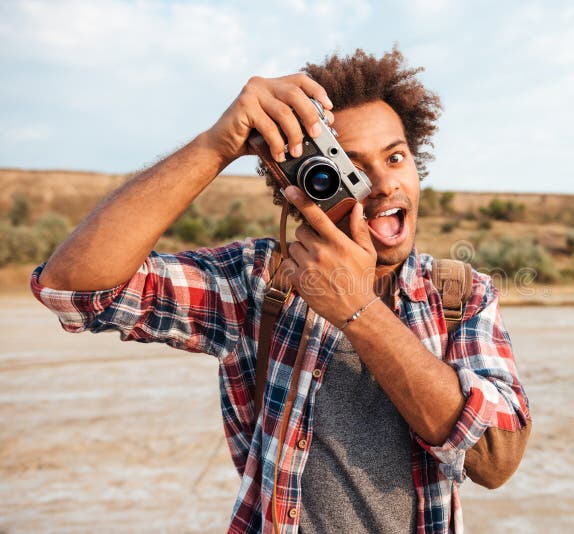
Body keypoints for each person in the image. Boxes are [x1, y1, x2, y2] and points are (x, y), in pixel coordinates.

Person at [31, 48, 531, 534]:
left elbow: (494, 457)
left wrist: (355, 306)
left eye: (395, 157)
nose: (381, 183)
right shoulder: (258, 283)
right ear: (298, 187)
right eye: (349, 168)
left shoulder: (459, 295)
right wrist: (216, 145)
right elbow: (73, 290)